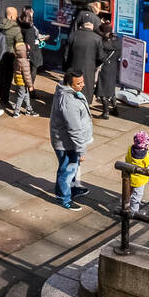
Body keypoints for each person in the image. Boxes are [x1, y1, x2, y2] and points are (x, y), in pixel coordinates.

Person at [49, 70, 92, 211]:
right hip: (67, 143)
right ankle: (64, 198)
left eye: (82, 81)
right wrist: (82, 150)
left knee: (72, 167)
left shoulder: (69, 92)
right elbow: (74, 128)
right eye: (79, 83)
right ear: (69, 83)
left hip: (69, 141)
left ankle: (72, 189)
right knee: (66, 170)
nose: (83, 85)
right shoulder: (69, 101)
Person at [68, 16, 104, 111]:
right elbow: (101, 57)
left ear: (82, 25)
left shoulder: (73, 35)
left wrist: (67, 67)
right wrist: (94, 65)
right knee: (86, 90)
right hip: (89, 70)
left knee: (73, 89)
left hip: (73, 69)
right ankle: (84, 108)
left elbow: (66, 54)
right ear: (92, 26)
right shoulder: (97, 38)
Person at [120, 130, 149, 216]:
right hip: (140, 180)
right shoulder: (147, 157)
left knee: (127, 192)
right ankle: (134, 212)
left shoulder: (130, 148)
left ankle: (123, 205)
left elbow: (127, 159)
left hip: (129, 177)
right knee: (136, 196)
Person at [0, 6, 22, 109]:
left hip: (0, 55)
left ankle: (3, 98)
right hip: (8, 56)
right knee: (7, 79)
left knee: (2, 78)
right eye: (15, 15)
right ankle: (5, 100)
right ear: (10, 16)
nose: (17, 17)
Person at [96, 18, 120, 120]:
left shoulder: (102, 43)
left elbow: (99, 56)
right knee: (111, 89)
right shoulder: (118, 41)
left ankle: (105, 112)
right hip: (114, 67)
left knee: (102, 90)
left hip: (104, 67)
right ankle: (115, 109)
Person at [10, 40, 34, 116]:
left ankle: (28, 109)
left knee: (26, 95)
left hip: (18, 81)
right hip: (23, 82)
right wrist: (30, 86)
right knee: (21, 96)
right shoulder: (25, 62)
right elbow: (27, 76)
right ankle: (16, 112)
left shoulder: (17, 59)